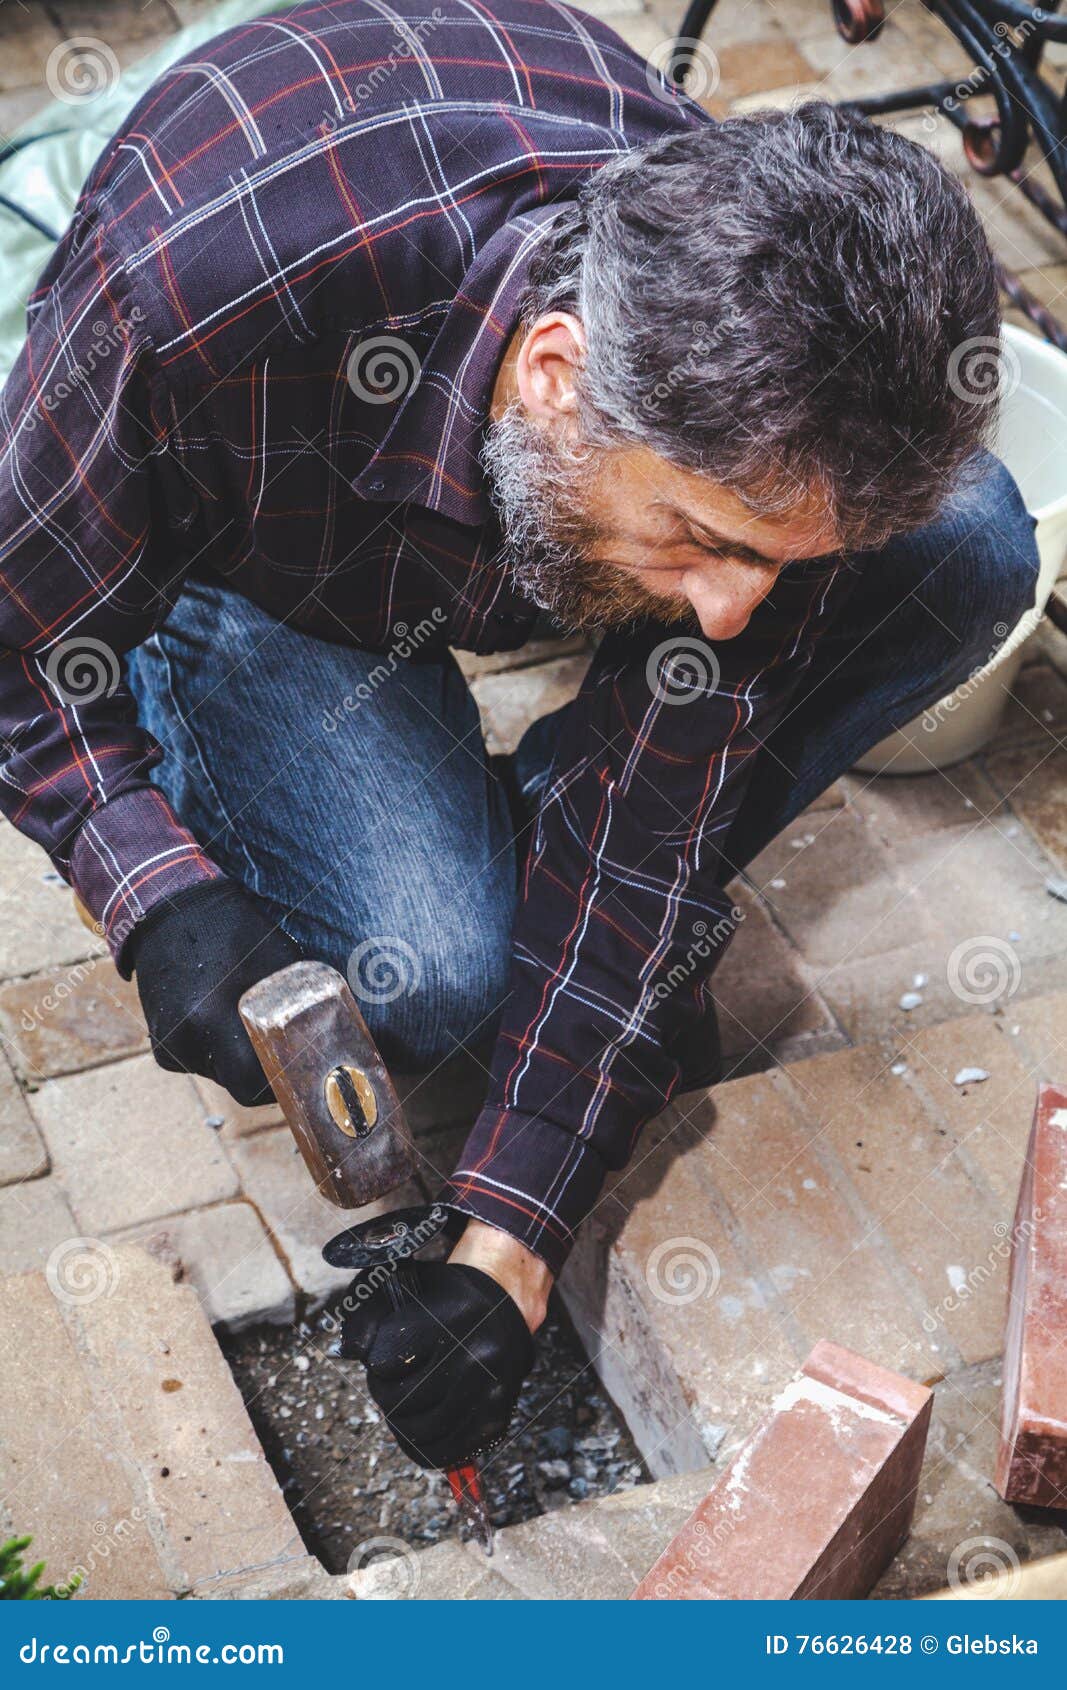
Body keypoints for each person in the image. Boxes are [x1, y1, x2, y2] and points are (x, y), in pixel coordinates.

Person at [0, 0, 1038, 1476]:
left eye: (771, 560)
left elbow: (650, 827)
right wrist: (154, 891)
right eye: (703, 540)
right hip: (264, 551)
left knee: (971, 545)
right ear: (555, 372)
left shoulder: (748, 367)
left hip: (511, 491)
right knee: (432, 969)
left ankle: (526, 841)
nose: (732, 614)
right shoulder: (199, 302)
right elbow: (24, 639)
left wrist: (514, 1246)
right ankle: (331, 783)